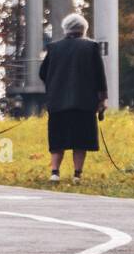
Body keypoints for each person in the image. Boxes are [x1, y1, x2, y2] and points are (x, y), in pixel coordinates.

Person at [38, 12, 108, 184]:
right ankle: (77, 175)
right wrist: (102, 99)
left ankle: (55, 172)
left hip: (58, 102)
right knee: (81, 140)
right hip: (83, 103)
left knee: (58, 139)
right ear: (84, 29)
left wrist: (54, 87)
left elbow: (42, 73)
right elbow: (100, 76)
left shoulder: (54, 48)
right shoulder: (91, 47)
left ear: (65, 29)